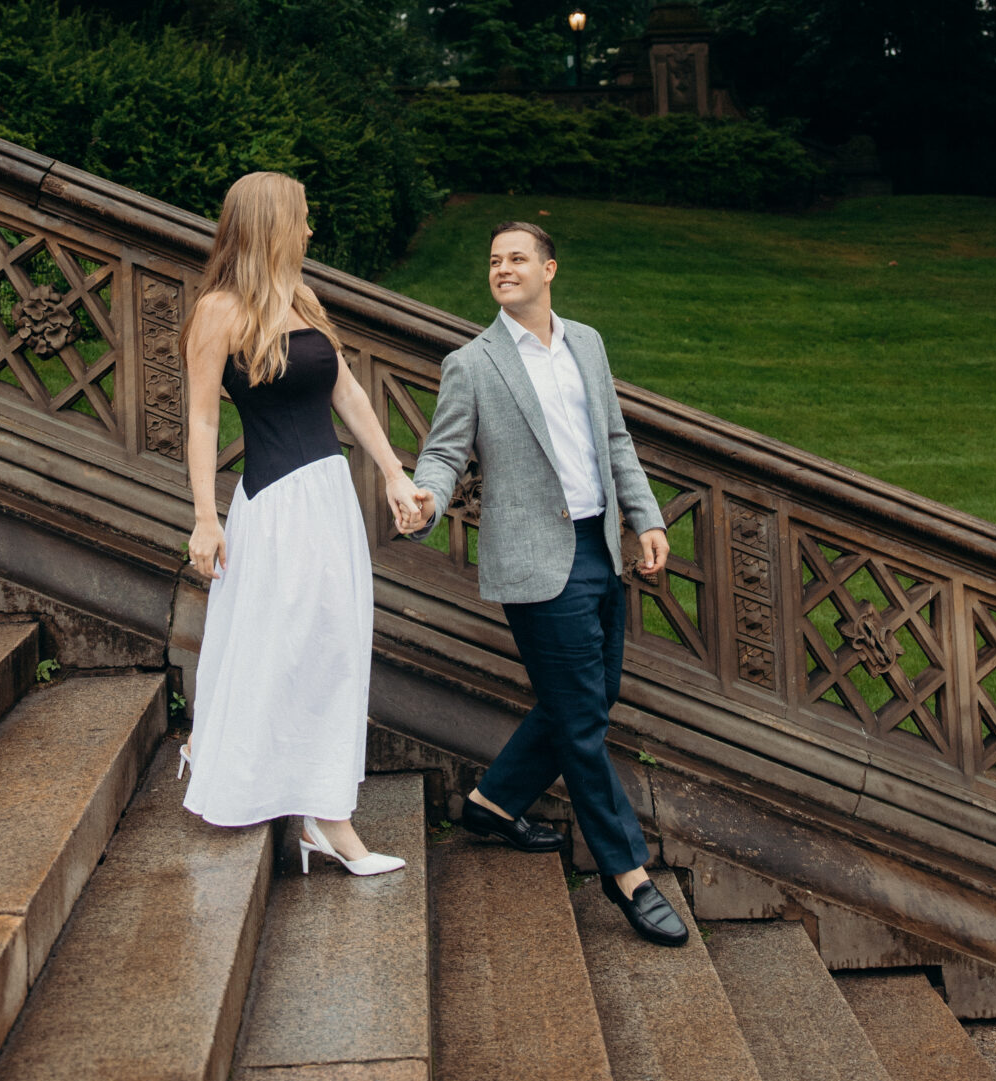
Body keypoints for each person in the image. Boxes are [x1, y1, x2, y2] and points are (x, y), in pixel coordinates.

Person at [408, 220, 689, 945]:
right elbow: (443, 453)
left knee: (585, 700)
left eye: (516, 259)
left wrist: (644, 516)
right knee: (583, 724)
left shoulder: (586, 344)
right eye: (494, 260)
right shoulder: (471, 364)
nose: (502, 269)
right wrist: (425, 499)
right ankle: (627, 874)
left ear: (549, 270)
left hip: (597, 545)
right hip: (535, 562)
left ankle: (493, 801)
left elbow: (615, 438)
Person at [182, 170, 424, 874]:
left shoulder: (304, 297)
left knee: (336, 646)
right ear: (270, 225)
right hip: (275, 506)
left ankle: (323, 813)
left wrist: (391, 471)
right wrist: (204, 516)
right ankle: (321, 815)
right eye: (303, 218)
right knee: (295, 648)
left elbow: (345, 390)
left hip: (328, 499)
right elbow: (201, 420)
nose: (311, 229)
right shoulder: (218, 313)